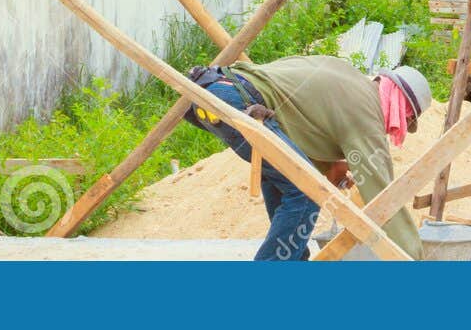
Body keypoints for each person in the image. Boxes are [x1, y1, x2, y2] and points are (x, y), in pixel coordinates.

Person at [183, 57, 431, 260]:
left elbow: (302, 129)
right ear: (402, 106)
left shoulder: (350, 81)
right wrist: (413, 258)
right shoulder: (368, 110)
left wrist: (329, 166)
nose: (397, 128)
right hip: (242, 102)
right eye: (407, 119)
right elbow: (383, 194)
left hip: (217, 92)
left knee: (287, 186)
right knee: (304, 192)